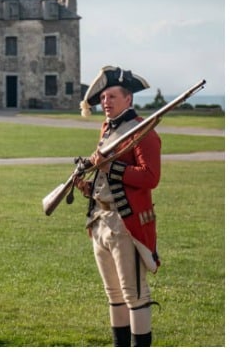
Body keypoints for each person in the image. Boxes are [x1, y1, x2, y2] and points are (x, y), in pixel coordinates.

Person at [75, 66, 161, 348]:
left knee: (135, 295)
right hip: (100, 219)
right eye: (103, 97)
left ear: (128, 99)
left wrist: (111, 169)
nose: (105, 102)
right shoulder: (107, 128)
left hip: (125, 223)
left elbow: (150, 177)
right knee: (113, 293)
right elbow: (102, 170)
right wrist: (88, 185)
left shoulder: (142, 131)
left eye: (112, 96)